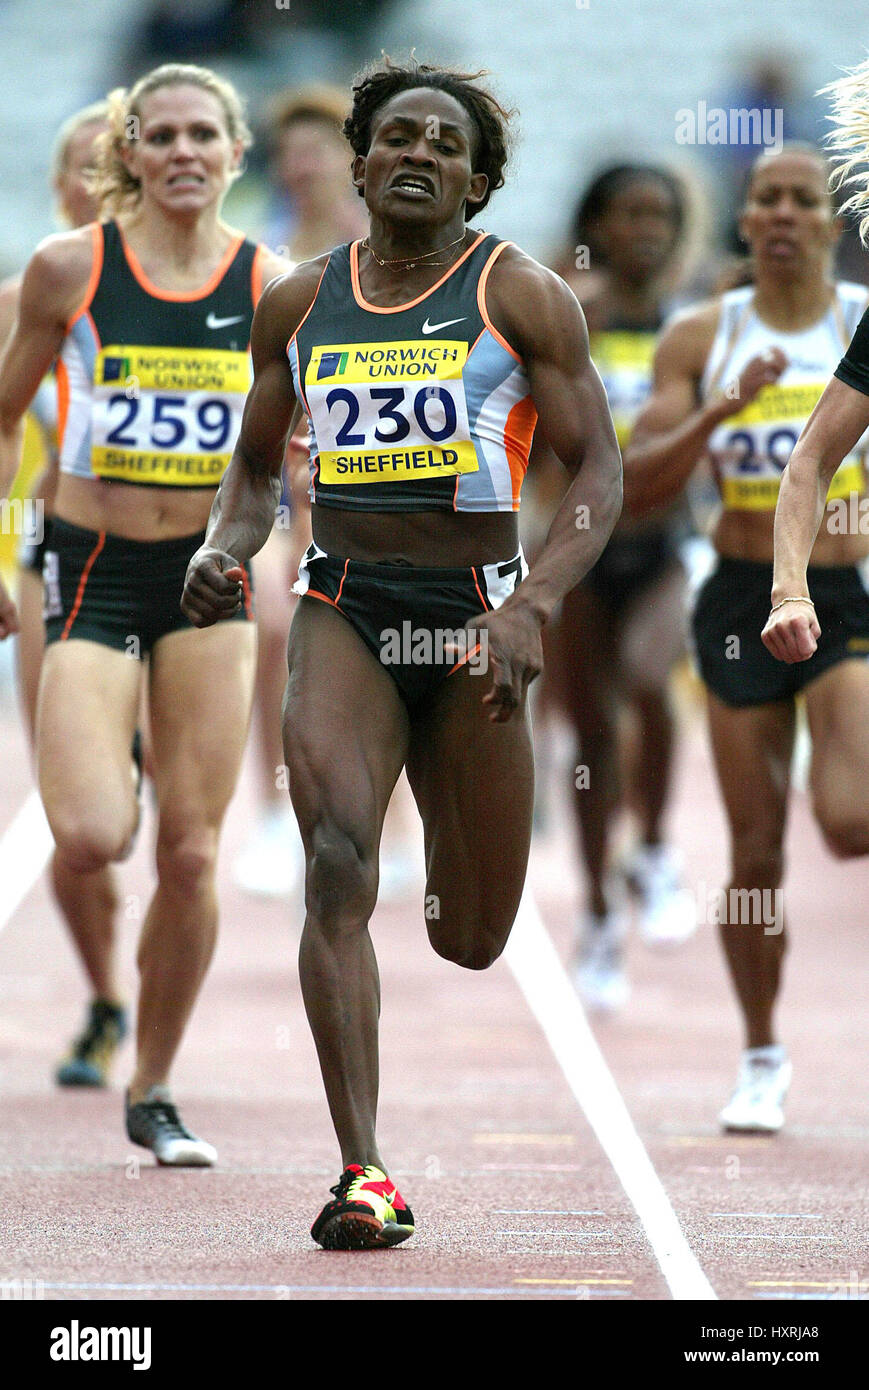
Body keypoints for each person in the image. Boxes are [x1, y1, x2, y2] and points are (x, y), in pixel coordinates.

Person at [182, 58, 622, 1248]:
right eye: (398, 138)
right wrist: (225, 549)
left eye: (445, 143)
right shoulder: (296, 303)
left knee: (471, 935)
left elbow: (596, 468)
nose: (419, 154)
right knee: (335, 862)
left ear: (475, 181)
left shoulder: (521, 295)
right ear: (363, 163)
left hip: (476, 618)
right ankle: (363, 1173)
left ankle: (457, 880)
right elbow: (252, 465)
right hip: (345, 607)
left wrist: (532, 604)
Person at [0, 63, 287, 1162]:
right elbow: (3, 411)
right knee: (89, 832)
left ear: (233, 152)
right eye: (158, 134)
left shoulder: (276, 286)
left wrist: (266, 545)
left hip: (207, 580)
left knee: (193, 853)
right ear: (127, 154)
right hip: (94, 564)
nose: (180, 151)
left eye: (199, 134)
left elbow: (285, 454)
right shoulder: (70, 267)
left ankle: (155, 1082)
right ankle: (115, 988)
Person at [624, 143, 869, 1134]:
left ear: (827, 220)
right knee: (755, 846)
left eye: (798, 200)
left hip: (845, 586)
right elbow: (638, 487)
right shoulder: (699, 335)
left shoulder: (857, 323)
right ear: (741, 220)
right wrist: (723, 406)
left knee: (848, 823)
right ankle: (760, 1051)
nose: (778, 214)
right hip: (735, 594)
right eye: (762, 198)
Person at [0, 103, 135, 1088]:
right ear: (59, 188)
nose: (105, 183)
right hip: (52, 559)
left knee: (181, 827)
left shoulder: (222, 292)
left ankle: (163, 1022)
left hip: (179, 568)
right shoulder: (19, 306)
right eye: (86, 168)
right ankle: (104, 998)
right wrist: (5, 555)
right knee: (79, 818)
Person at [546, 163, 698, 1013]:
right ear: (594, 222)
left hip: (666, 543)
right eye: (628, 212)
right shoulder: (567, 310)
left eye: (660, 213)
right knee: (591, 738)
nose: (645, 227)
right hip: (576, 547)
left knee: (649, 679)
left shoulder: (696, 320)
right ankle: (599, 914)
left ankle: (654, 847)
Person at [232, 86, 366, 900]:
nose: (304, 164)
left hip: (371, 482)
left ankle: (390, 819)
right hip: (283, 481)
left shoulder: (384, 254)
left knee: (388, 637)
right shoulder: (262, 260)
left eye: (321, 149)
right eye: (294, 151)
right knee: (276, 623)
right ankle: (275, 814)